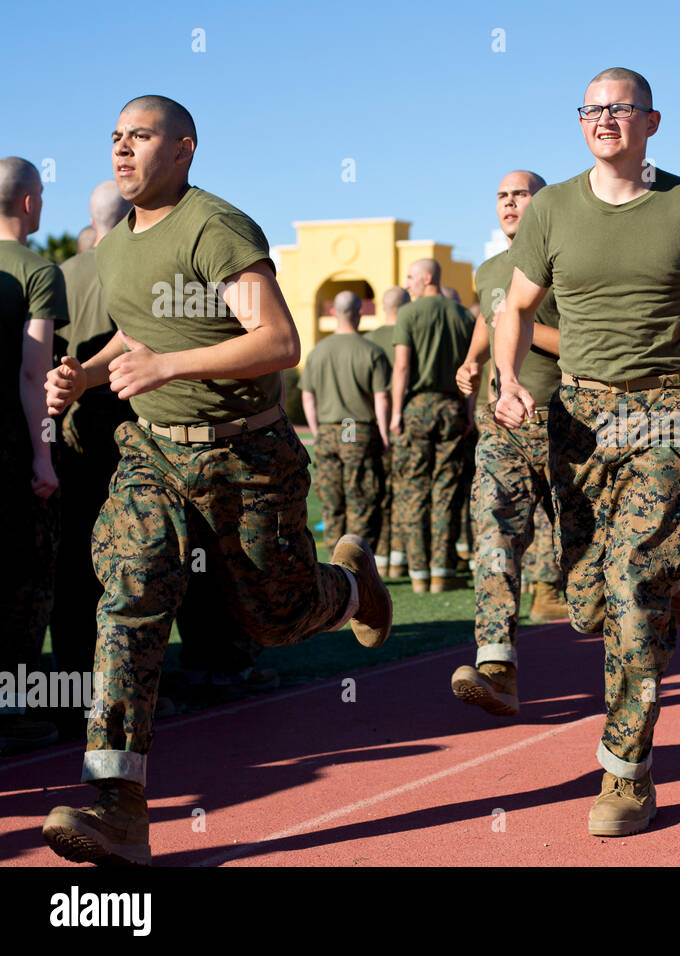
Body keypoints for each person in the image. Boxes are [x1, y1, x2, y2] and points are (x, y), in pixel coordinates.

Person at [40, 96, 391, 866]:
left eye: (141, 135)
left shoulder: (216, 228)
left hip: (246, 457)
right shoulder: (115, 243)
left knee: (274, 616)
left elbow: (278, 340)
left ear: (184, 148)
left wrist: (168, 364)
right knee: (128, 596)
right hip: (154, 452)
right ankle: (118, 802)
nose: (122, 149)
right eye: (115, 137)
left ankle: (351, 584)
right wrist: (89, 375)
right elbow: (141, 327)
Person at [493, 67, 680, 835]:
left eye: (620, 108)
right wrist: (506, 380)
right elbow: (514, 308)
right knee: (586, 602)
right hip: (580, 414)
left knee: (633, 587)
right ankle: (678, 564)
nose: (604, 118)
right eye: (592, 108)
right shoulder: (551, 209)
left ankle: (626, 770)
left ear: (652, 123)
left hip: (673, 408)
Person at [450, 169, 568, 719]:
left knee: (588, 551)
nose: (510, 203)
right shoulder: (490, 269)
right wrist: (475, 358)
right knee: (494, 527)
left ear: (545, 204)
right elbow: (487, 315)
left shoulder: (570, 262)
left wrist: (517, 326)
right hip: (503, 423)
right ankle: (498, 665)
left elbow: (590, 347)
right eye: (502, 195)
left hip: (571, 423)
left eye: (521, 194)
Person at [49, 181, 131, 687]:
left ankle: (73, 677)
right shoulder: (131, 271)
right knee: (126, 561)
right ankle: (116, 682)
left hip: (65, 426)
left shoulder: (58, 274)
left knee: (72, 559)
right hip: (122, 428)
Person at [0, 156, 66, 754]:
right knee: (25, 584)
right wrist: (43, 458)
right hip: (12, 449)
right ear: (28, 203)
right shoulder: (39, 272)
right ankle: (13, 708)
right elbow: (33, 372)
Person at [390, 258, 473, 591]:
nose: (407, 283)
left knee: (414, 492)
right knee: (446, 491)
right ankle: (441, 571)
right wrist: (467, 410)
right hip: (452, 407)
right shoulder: (464, 316)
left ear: (426, 277)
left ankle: (419, 574)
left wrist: (396, 412)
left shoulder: (408, 314)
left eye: (410, 276)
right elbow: (472, 371)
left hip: (418, 407)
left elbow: (401, 368)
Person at [300, 290, 391, 551]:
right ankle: (356, 563)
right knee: (361, 502)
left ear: (333, 313)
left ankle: (335, 563)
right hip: (359, 432)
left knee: (332, 503)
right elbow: (381, 398)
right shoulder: (372, 351)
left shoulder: (317, 352)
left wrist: (317, 431)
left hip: (328, 432)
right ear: (359, 313)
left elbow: (308, 398)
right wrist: (384, 434)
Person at [366, 285, 408, 573]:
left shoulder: (367, 341)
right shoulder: (411, 337)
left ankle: (379, 557)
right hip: (405, 422)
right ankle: (401, 556)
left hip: (372, 425)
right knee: (405, 492)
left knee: (377, 492)